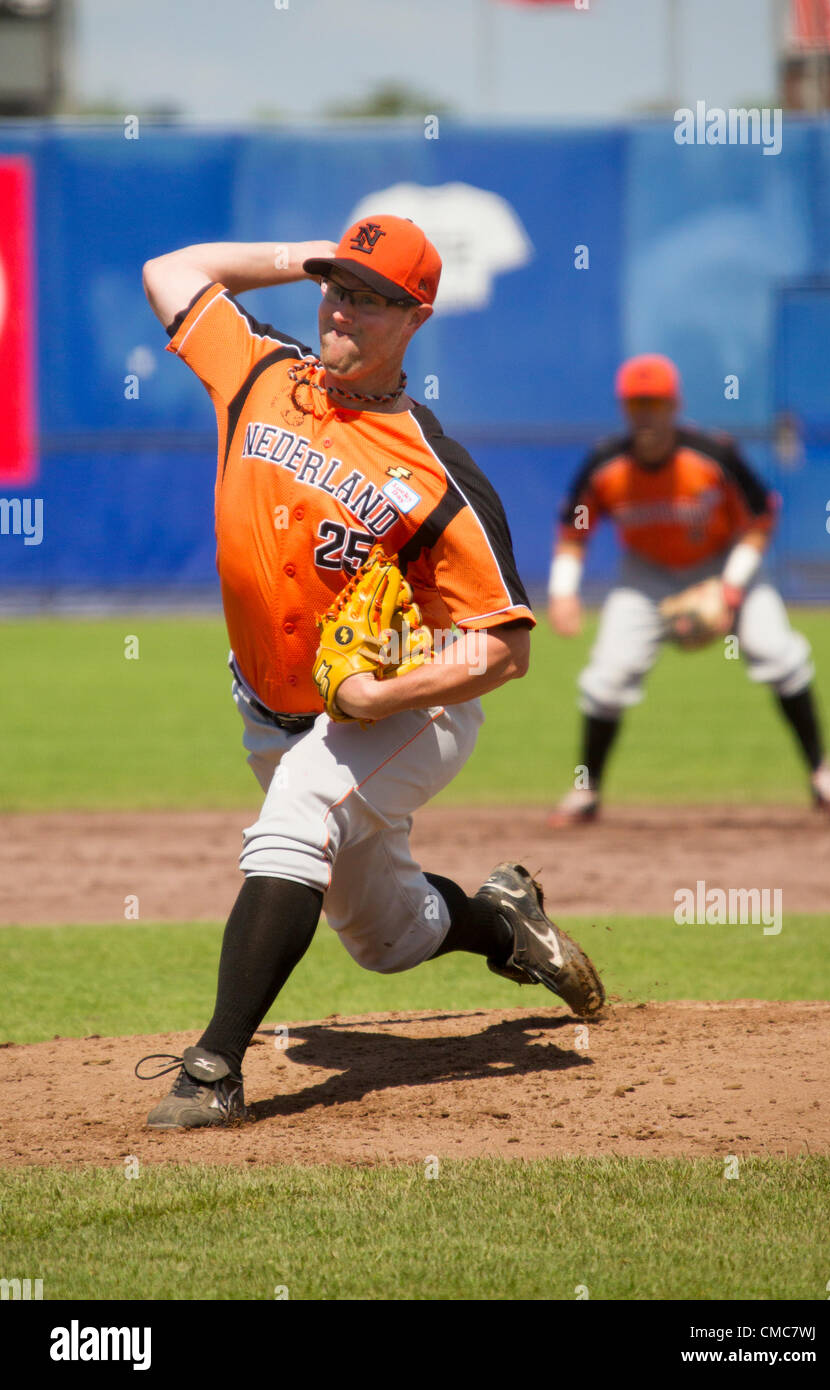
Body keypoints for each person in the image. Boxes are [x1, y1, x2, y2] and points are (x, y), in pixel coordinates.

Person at [137, 216, 603, 1127]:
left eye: (370, 298)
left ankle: (214, 1069)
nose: (342, 311)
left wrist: (381, 693)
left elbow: (506, 647)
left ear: (416, 315)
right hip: (276, 705)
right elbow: (170, 267)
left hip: (409, 704)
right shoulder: (261, 373)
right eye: (337, 289)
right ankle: (502, 921)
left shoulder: (434, 475)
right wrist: (310, 255)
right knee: (385, 936)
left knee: (296, 817)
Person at [547, 353, 830, 827]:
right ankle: (587, 791)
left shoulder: (712, 455)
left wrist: (731, 588)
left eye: (656, 402)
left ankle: (822, 775)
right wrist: (563, 591)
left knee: (780, 654)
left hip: (724, 564)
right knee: (607, 677)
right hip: (646, 575)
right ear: (624, 408)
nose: (646, 414)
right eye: (637, 403)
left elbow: (761, 518)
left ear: (675, 404)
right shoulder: (606, 463)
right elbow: (574, 529)